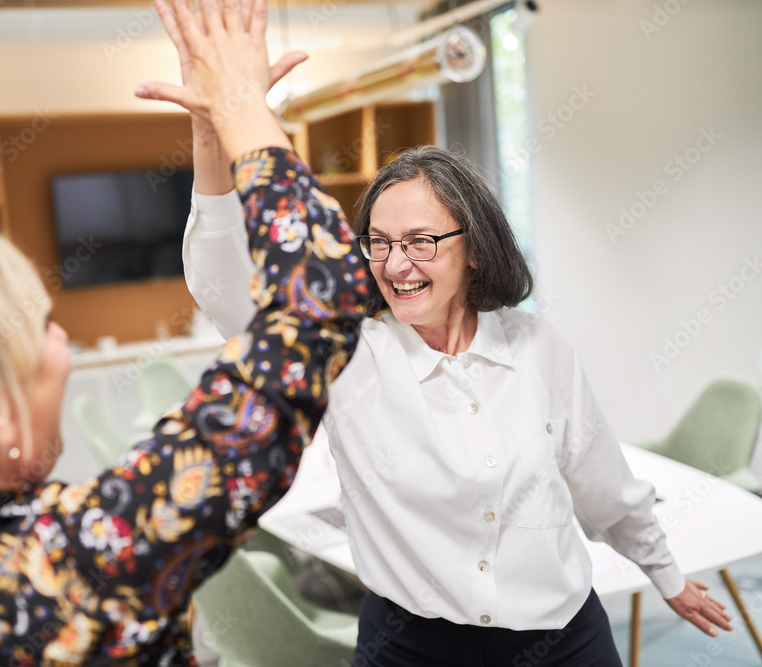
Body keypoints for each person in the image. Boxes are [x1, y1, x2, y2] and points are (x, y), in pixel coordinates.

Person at [0, 1, 365, 664]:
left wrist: (215, 122)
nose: (61, 341)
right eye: (42, 326)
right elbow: (319, 299)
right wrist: (241, 107)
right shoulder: (85, 557)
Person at [182, 133, 735, 663]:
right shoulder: (348, 355)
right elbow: (225, 289)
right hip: (411, 648)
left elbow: (602, 485)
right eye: (380, 242)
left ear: (474, 249)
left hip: (563, 640)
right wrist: (208, 133)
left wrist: (665, 574)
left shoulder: (539, 346)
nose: (395, 264)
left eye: (420, 241)